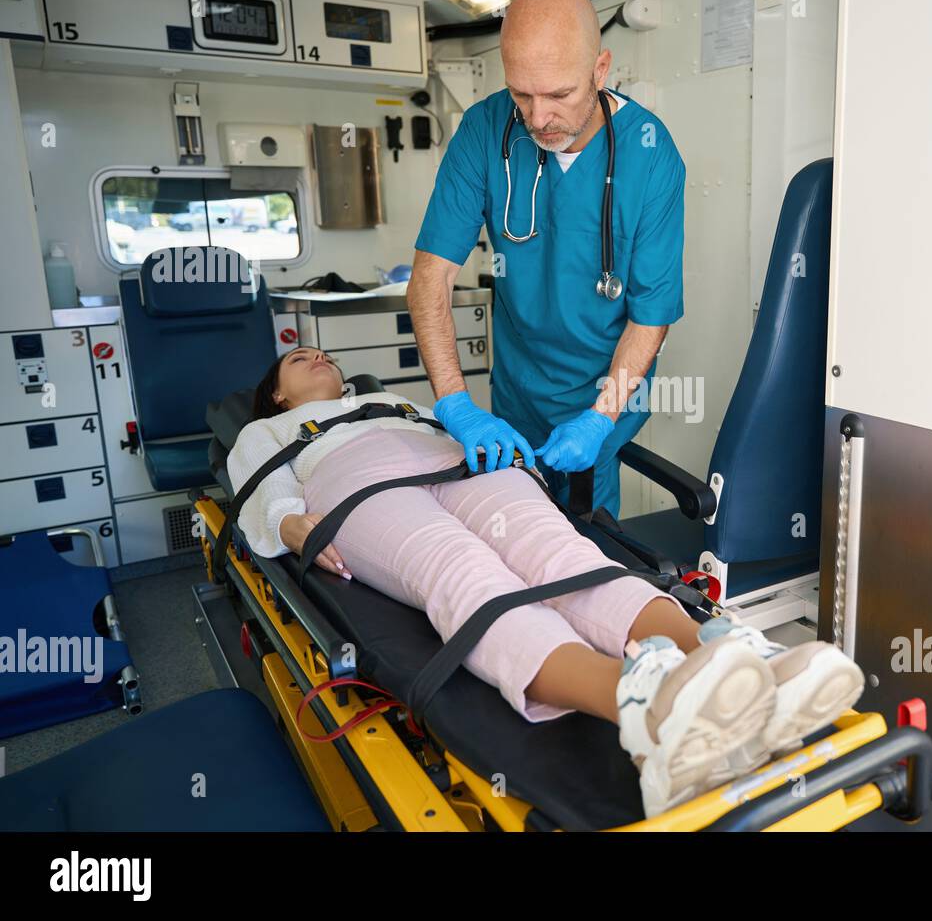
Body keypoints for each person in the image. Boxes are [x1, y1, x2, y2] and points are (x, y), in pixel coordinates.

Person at [226, 346, 865, 817]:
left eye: (323, 354)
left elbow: (460, 427)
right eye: (296, 358)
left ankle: (723, 653)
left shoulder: (397, 403)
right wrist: (292, 530)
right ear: (276, 396)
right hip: (356, 490)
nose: (316, 356)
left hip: (465, 467)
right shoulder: (264, 432)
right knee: (464, 574)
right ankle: (639, 705)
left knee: (562, 553)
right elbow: (266, 498)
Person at [407, 0, 686, 518]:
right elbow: (430, 277)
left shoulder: (650, 154)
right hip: (516, 394)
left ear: (600, 71)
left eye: (559, 95)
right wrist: (455, 405)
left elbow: (651, 316)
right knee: (513, 527)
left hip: (602, 402)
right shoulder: (483, 130)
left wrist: (601, 418)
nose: (537, 118)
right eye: (521, 94)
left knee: (586, 539)